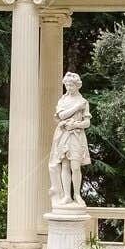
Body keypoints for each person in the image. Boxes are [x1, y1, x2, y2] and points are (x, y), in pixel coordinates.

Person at [47, 72, 90, 207]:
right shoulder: (63, 101)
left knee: (75, 167)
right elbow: (62, 115)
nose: (68, 87)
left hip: (76, 135)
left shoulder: (84, 102)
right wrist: (77, 108)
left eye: (71, 85)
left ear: (77, 86)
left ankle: (77, 194)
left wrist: (76, 124)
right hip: (63, 135)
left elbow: (87, 123)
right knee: (64, 165)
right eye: (66, 85)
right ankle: (66, 195)